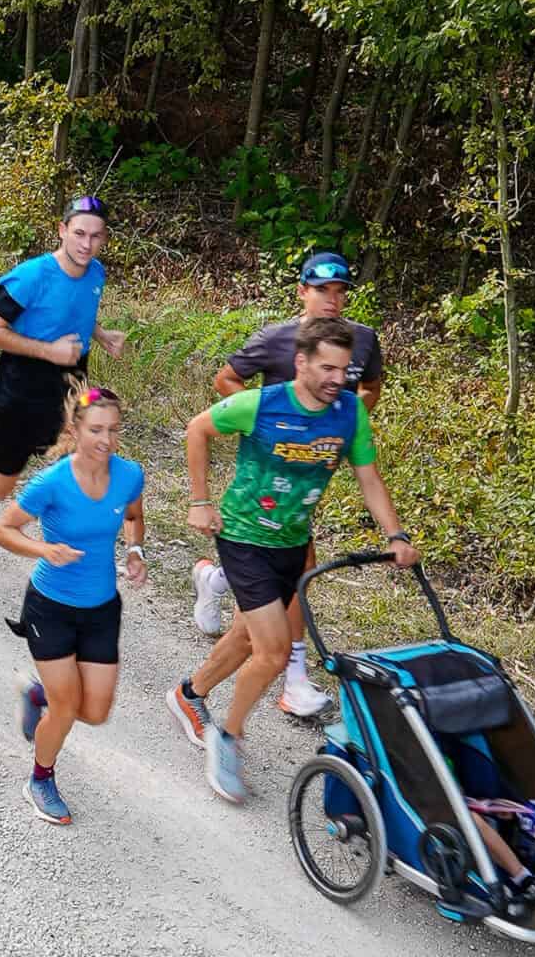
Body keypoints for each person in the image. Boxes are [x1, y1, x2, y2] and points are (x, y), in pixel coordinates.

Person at [171, 317, 419, 804]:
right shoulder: (261, 404)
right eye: (327, 367)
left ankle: (189, 695)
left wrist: (395, 534)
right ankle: (228, 738)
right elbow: (196, 430)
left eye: (344, 370)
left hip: (292, 542)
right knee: (274, 651)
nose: (337, 379)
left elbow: (369, 478)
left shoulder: (349, 413)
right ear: (301, 363)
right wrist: (200, 501)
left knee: (245, 639)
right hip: (243, 537)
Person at [201, 250, 387, 716]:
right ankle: (293, 678)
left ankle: (215, 580)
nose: (332, 299)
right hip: (267, 478)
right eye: (322, 290)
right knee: (297, 568)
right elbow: (225, 380)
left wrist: (340, 424)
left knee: (282, 572)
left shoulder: (362, 340)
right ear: (303, 291)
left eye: (340, 291)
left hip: (315, 472)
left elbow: (370, 392)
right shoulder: (277, 339)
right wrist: (270, 425)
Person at [0, 387, 146, 825]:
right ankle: (40, 779)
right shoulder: (53, 482)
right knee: (66, 708)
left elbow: (134, 518)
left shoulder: (130, 474)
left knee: (95, 712)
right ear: (74, 429)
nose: (106, 439)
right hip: (50, 608)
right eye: (96, 429)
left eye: (114, 430)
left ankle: (37, 692)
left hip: (102, 608)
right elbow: (2, 530)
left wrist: (136, 554)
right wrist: (44, 549)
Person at [0, 196, 126, 537]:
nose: (86, 244)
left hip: (71, 387)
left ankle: (67, 549)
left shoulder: (96, 271)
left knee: (75, 464)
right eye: (79, 233)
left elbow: (74, 307)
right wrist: (49, 351)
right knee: (2, 485)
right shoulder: (32, 276)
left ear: (105, 238)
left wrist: (101, 334)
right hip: (21, 389)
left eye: (95, 236)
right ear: (62, 230)